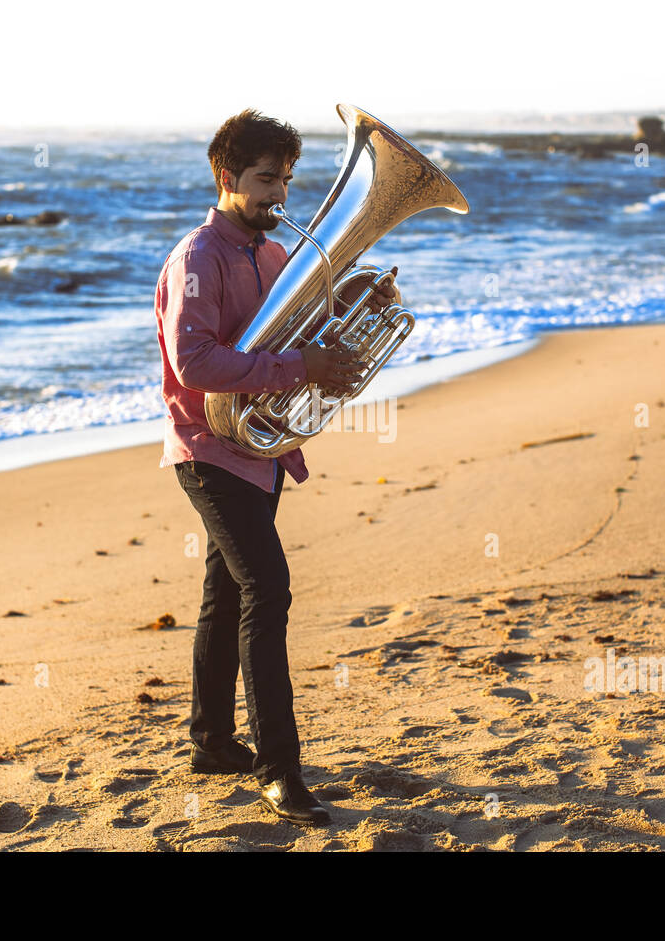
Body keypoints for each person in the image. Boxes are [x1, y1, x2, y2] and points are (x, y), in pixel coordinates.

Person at [155, 108, 394, 826]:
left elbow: (309, 334)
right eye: (265, 179)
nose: (279, 194)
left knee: (226, 596)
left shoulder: (271, 252)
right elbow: (194, 364)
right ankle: (277, 769)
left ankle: (209, 739)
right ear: (228, 177)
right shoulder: (198, 257)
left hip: (260, 450)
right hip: (208, 451)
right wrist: (301, 364)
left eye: (287, 178)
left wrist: (360, 306)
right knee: (270, 591)